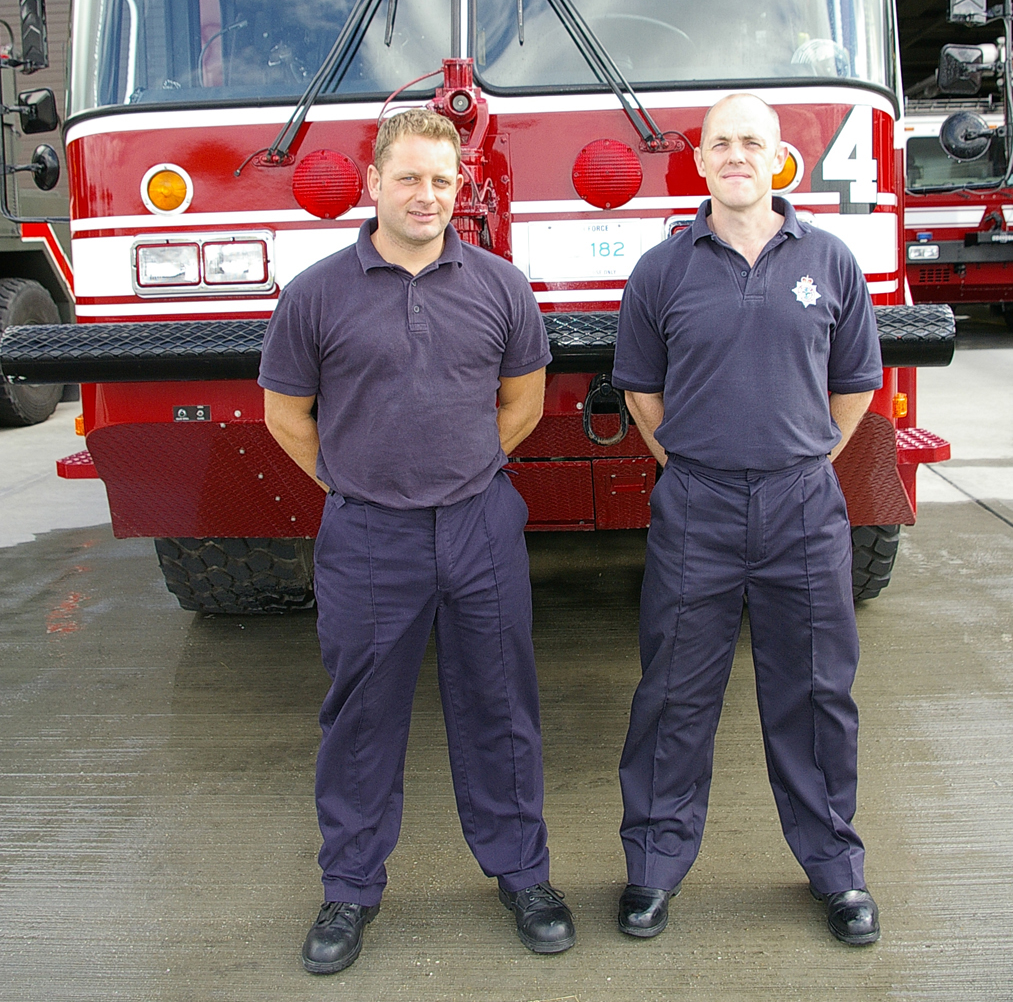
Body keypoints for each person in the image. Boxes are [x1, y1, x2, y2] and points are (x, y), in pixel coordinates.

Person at [258, 108, 575, 974]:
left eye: (442, 180)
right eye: (408, 177)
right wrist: (352, 483)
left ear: (458, 189)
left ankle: (523, 875)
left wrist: (465, 470)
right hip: (367, 535)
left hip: (479, 524)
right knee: (361, 718)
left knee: (501, 708)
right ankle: (349, 888)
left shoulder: (501, 287)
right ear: (372, 183)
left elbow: (525, 402)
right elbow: (284, 417)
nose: (426, 195)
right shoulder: (316, 294)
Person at [611, 92, 883, 948]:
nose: (736, 155)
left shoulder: (830, 262)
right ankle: (653, 868)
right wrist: (699, 469)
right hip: (697, 504)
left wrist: (799, 462)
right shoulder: (661, 270)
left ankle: (835, 870)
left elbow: (856, 386)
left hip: (802, 505)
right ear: (699, 161)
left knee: (814, 694)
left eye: (751, 142)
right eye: (720, 142)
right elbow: (640, 392)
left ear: (777, 159)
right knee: (674, 695)